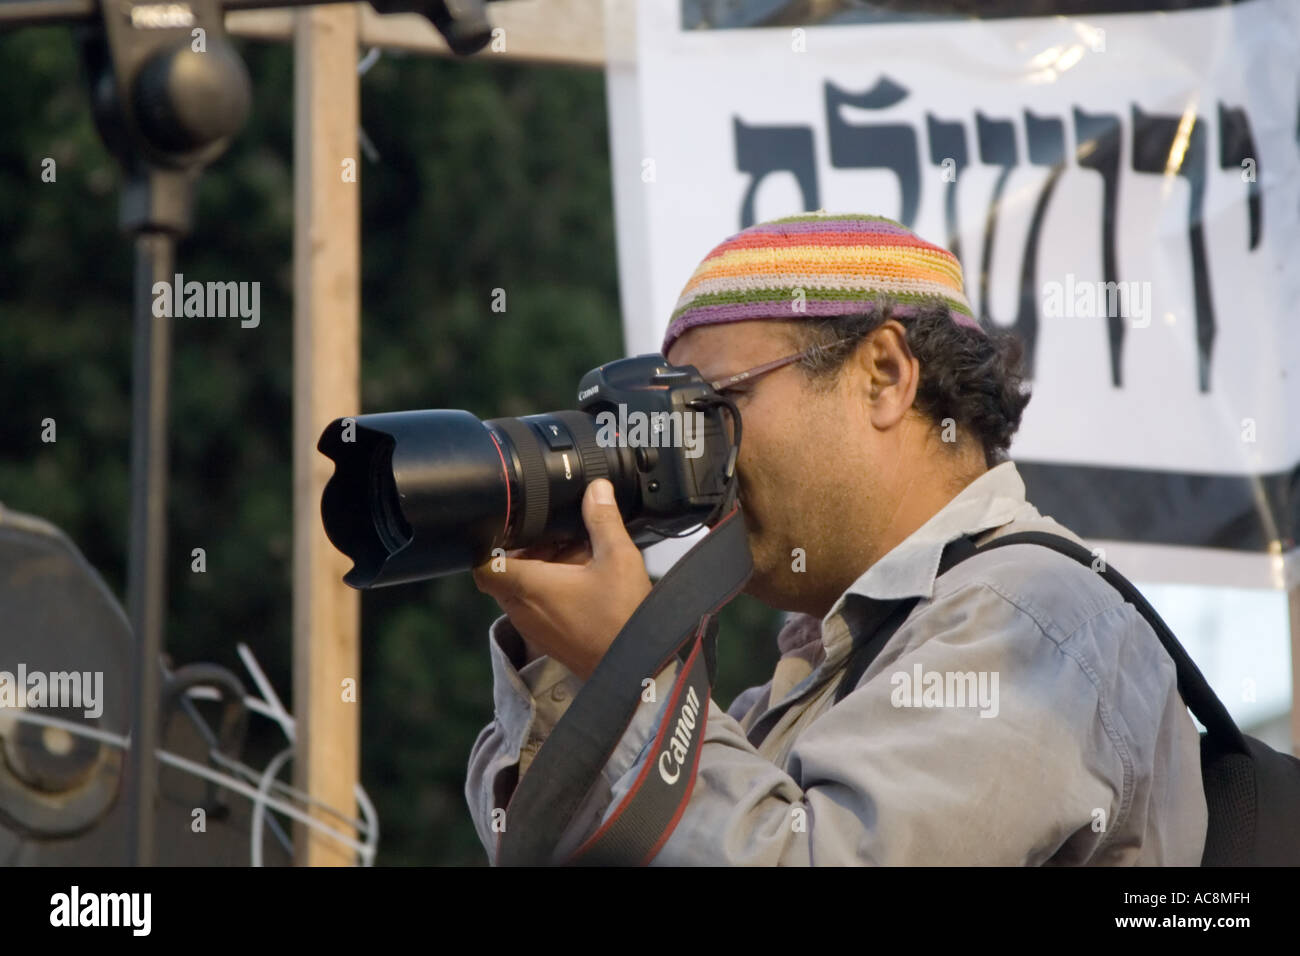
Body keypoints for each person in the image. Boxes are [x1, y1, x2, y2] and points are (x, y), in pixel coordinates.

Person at [464, 211, 1208, 865]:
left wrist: (637, 680)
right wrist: (565, 667)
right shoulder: (794, 693)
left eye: (716, 404)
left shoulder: (1034, 619)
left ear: (884, 375)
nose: (688, 457)